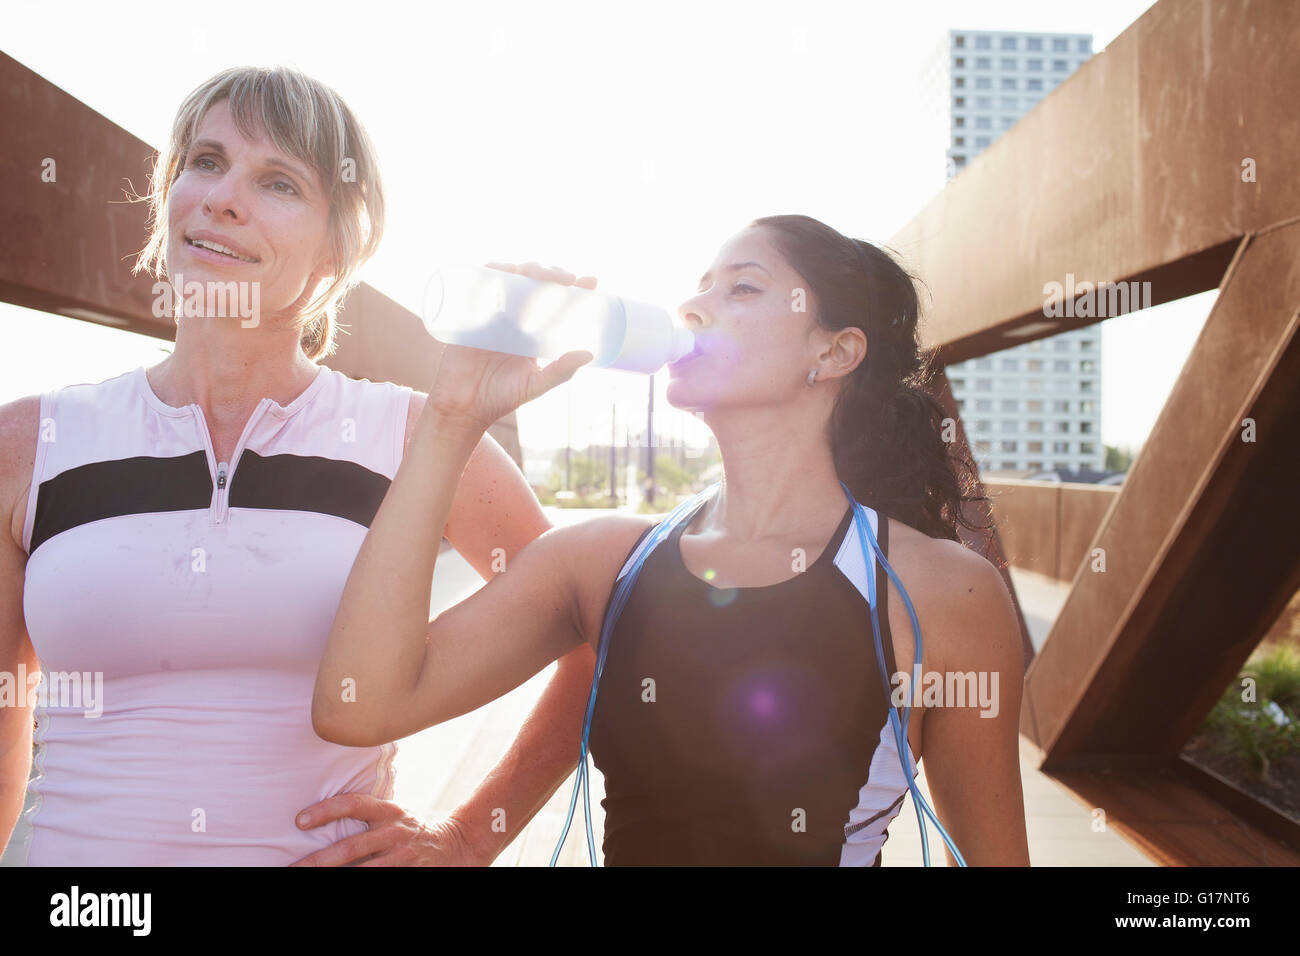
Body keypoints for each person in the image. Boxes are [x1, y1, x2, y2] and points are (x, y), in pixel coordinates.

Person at [0, 65, 597, 865]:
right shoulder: (31, 441)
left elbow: (591, 634)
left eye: (278, 181)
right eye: (205, 162)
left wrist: (467, 836)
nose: (221, 197)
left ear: (340, 247)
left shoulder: (420, 438)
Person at [313, 214, 1033, 866]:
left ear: (836, 352)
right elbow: (359, 705)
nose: (692, 309)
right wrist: (452, 415)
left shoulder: (939, 591)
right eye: (699, 289)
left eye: (743, 289)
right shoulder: (598, 562)